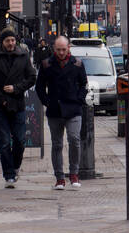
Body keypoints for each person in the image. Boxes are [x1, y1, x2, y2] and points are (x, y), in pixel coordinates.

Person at [0, 28, 37, 188]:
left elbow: (32, 77)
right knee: (5, 142)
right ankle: (9, 175)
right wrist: (1, 98)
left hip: (18, 104)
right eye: (8, 41)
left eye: (13, 40)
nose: (11, 43)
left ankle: (15, 166)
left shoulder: (23, 56)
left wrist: (16, 88)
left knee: (20, 141)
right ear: (2, 42)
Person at [35, 35, 89, 189]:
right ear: (54, 49)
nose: (61, 52)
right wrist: (47, 102)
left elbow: (84, 85)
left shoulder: (77, 64)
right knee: (57, 144)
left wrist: (79, 99)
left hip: (73, 109)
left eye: (64, 49)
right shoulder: (46, 64)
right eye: (58, 50)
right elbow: (39, 87)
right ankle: (59, 178)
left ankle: (74, 174)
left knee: (74, 140)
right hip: (55, 110)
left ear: (68, 48)